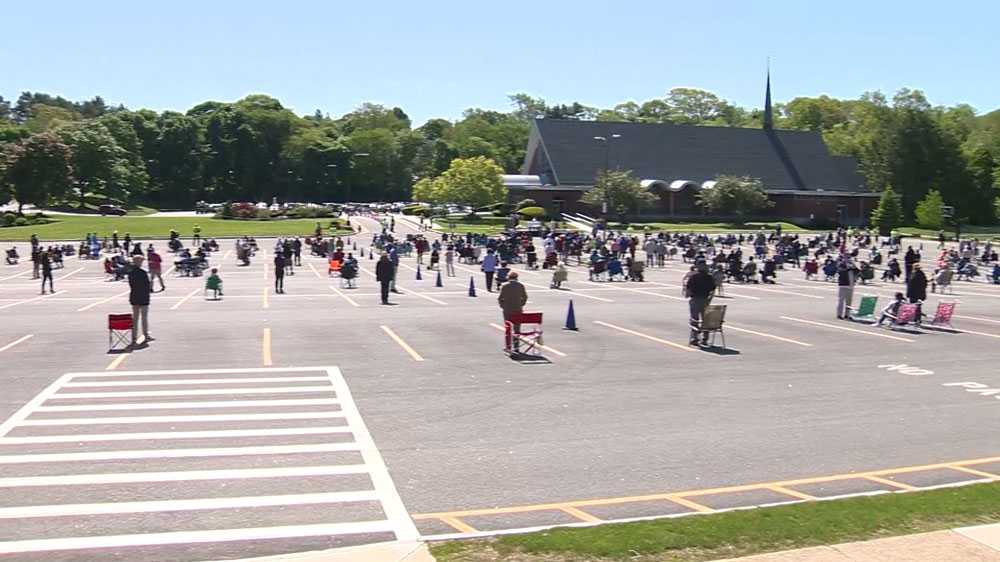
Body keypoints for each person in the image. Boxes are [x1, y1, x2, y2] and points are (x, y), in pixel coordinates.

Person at [685, 264, 716, 346]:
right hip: (705, 299)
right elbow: (713, 289)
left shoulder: (693, 277)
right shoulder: (709, 277)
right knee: (705, 319)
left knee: (694, 319)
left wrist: (687, 295)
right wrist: (710, 299)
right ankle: (705, 338)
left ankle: (695, 337)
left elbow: (688, 289)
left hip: (695, 299)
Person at [498, 271, 528, 352]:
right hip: (518, 309)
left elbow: (500, 298)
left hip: (507, 309)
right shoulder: (521, 286)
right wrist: (521, 304)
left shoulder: (504, 286)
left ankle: (508, 346)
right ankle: (516, 346)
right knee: (517, 329)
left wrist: (502, 306)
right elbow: (525, 297)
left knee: (508, 328)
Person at [127, 255, 153, 347]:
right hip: (143, 297)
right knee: (144, 317)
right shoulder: (143, 272)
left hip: (134, 296)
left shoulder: (131, 273)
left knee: (135, 318)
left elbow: (131, 284)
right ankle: (145, 335)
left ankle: (134, 337)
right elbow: (148, 285)